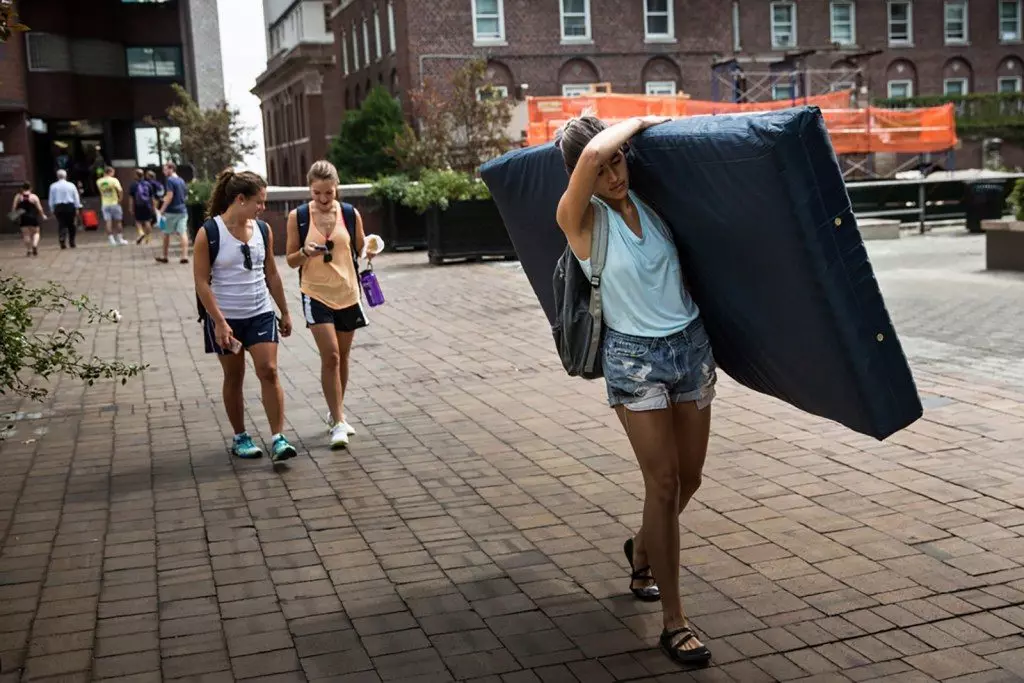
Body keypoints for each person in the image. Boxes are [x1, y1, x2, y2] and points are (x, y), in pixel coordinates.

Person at [555, 115, 715, 668]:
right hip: (634, 361)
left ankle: (642, 546)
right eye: (602, 169)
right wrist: (641, 118)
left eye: (620, 162)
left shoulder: (651, 204)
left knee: (688, 478)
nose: (614, 175)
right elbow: (589, 154)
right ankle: (674, 622)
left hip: (690, 348)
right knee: (664, 483)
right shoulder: (579, 220)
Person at [193, 169, 298, 463]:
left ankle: (278, 438)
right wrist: (219, 322)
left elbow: (272, 274)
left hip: (260, 312)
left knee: (269, 370)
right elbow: (201, 281)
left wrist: (285, 311)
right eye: (259, 202)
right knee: (234, 376)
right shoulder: (209, 233)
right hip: (226, 318)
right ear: (240, 199)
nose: (262, 208)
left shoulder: (263, 230)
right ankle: (240, 436)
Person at [285, 160, 369, 450]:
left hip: (347, 292)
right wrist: (304, 252)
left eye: (328, 193)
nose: (322, 199)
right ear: (310, 189)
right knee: (331, 355)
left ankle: (336, 414)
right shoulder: (298, 216)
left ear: (337, 189)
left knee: (343, 357)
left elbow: (361, 248)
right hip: (315, 293)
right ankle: (338, 420)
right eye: (317, 193)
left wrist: (373, 247)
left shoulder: (350, 213)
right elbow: (289, 259)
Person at [157, 162, 190, 264]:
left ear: (171, 169)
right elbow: (185, 196)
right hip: (182, 210)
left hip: (171, 211)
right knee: (183, 232)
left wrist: (161, 209)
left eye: (165, 169)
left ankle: (165, 256)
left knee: (166, 233)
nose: (163, 171)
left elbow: (170, 196)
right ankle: (184, 256)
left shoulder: (170, 180)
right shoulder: (181, 180)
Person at [48, 170, 82, 249]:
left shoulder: (53, 186)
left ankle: (62, 239)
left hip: (59, 207)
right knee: (71, 225)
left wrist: (52, 208)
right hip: (70, 206)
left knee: (61, 224)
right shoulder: (71, 185)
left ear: (57, 176)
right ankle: (72, 241)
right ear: (66, 176)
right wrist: (77, 207)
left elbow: (51, 199)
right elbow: (76, 197)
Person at [11, 182, 46, 257]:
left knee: (26, 234)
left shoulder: (18, 197)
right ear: (31, 188)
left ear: (22, 188)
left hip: (23, 218)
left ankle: (29, 250)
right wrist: (43, 215)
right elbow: (39, 208)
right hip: (33, 217)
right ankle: (34, 245)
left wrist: (13, 216)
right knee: (36, 233)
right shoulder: (34, 197)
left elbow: (14, 207)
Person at [96, 167, 128, 246]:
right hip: (114, 203)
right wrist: (120, 199)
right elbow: (120, 190)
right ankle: (120, 239)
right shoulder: (114, 180)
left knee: (108, 222)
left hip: (105, 203)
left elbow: (100, 192)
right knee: (118, 221)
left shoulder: (99, 181)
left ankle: (111, 240)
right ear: (110, 172)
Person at [128, 169, 156, 244]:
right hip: (147, 205)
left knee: (138, 221)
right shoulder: (148, 184)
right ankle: (148, 238)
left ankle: (141, 233)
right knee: (147, 221)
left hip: (138, 206)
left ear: (136, 175)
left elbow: (131, 198)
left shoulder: (133, 185)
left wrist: (130, 208)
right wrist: (154, 207)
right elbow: (152, 197)